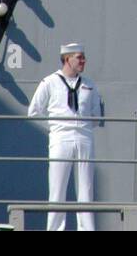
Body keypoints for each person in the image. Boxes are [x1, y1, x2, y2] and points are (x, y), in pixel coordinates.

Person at [27, 43, 103, 230]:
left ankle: (86, 229)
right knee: (57, 189)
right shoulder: (50, 83)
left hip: (84, 138)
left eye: (83, 57)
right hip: (61, 139)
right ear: (67, 59)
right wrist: (54, 127)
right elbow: (34, 112)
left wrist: (83, 127)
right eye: (79, 57)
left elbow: (96, 115)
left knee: (86, 189)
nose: (83, 61)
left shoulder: (89, 85)